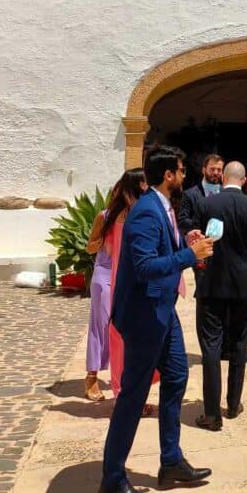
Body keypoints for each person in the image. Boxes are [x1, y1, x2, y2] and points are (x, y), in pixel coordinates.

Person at [99, 145, 215, 493]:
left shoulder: (162, 207)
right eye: (181, 171)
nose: (184, 176)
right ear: (168, 175)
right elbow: (147, 266)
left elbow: (166, 245)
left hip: (162, 311)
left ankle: (171, 461)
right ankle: (112, 481)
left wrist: (186, 241)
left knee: (177, 377)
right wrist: (188, 257)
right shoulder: (147, 212)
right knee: (133, 397)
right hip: (144, 316)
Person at [193, 161, 247, 429]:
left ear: (223, 178)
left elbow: (199, 240)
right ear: (245, 178)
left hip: (211, 282)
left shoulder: (207, 205)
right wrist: (241, 261)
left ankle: (212, 413)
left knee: (210, 345)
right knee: (238, 343)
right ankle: (233, 404)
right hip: (240, 284)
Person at [83, 168, 145, 403]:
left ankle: (121, 378)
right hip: (104, 275)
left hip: (126, 277)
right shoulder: (105, 215)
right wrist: (101, 242)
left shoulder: (138, 215)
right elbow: (90, 246)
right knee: (101, 326)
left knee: (122, 331)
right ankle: (91, 377)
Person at [178, 153, 224, 239]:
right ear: (203, 170)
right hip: (198, 242)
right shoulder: (189, 194)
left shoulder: (225, 193)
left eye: (219, 170)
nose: (215, 173)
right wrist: (205, 225)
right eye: (212, 169)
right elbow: (182, 221)